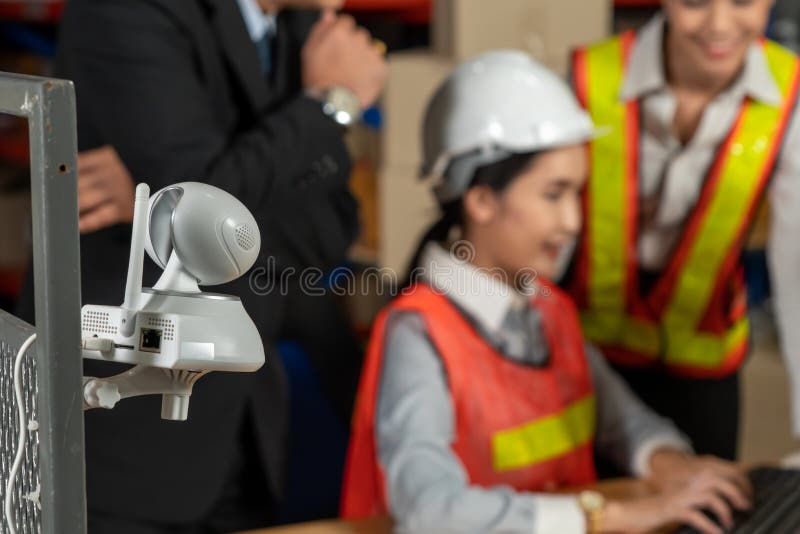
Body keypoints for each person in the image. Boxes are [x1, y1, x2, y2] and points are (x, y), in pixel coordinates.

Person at [340, 51, 752, 534]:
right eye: (553, 194)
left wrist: (672, 466)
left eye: (577, 193)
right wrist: (609, 518)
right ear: (482, 200)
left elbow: (623, 422)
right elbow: (431, 511)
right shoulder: (417, 335)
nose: (572, 221)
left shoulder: (549, 309)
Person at [15, 0, 386, 531]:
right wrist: (331, 103)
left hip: (241, 428)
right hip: (125, 442)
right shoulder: (127, 11)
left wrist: (170, 198)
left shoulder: (302, 29)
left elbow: (331, 229)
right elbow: (200, 219)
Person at [567, 0, 800, 460]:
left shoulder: (790, 94)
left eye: (742, 1)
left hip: (704, 366)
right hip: (586, 356)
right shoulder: (588, 77)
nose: (719, 25)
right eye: (695, 1)